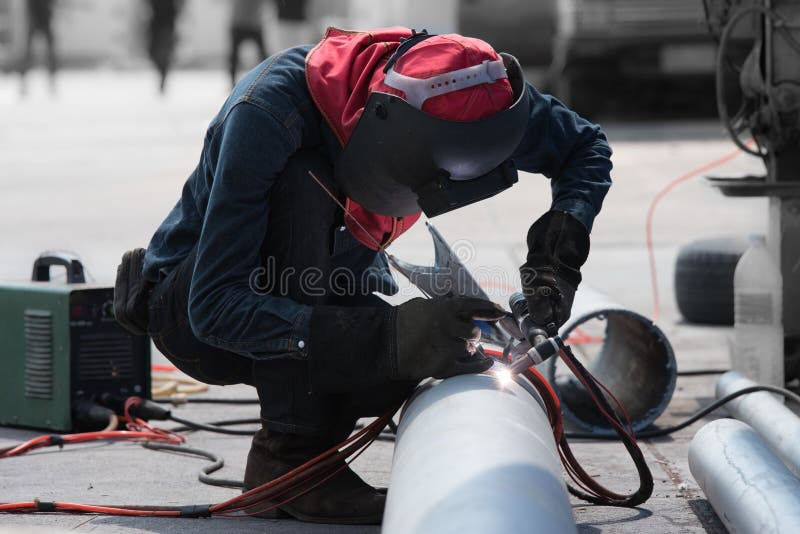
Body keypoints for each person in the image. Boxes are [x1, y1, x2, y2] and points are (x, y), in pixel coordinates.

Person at [114, 27, 611, 524]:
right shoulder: (268, 115)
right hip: (197, 312)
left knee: (434, 356)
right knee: (305, 186)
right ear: (380, 125)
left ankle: (315, 417)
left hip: (323, 289)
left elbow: (585, 148)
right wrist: (389, 337)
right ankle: (290, 457)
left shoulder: (473, 91)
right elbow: (215, 309)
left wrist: (554, 267)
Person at [20, 0, 57, 94]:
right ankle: (23, 84)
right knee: (28, 54)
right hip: (35, 22)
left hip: (45, 21)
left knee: (50, 54)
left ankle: (52, 82)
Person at [145, 0, 183, 93]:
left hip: (167, 23)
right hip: (155, 22)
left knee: (164, 52)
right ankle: (162, 72)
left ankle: (163, 75)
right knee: (153, 52)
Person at [228, 0, 268, 87]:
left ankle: (268, 77)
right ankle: (232, 81)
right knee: (233, 56)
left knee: (263, 55)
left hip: (253, 24)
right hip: (239, 23)